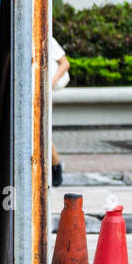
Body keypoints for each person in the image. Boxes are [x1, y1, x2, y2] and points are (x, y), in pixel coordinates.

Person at [49, 34, 70, 187]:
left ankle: (56, 165)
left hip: (44, 90)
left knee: (40, 131)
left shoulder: (47, 39)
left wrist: (52, 80)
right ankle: (54, 165)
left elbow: (65, 63)